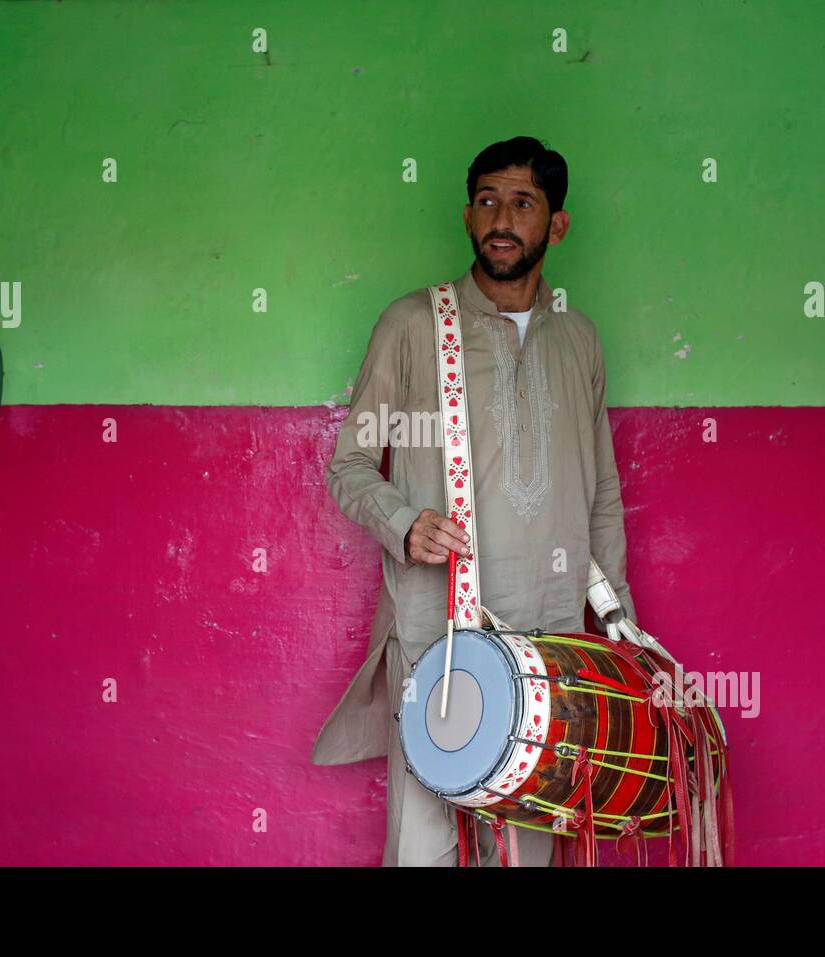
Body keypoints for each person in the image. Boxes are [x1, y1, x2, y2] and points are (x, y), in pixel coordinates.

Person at [310, 136, 637, 866]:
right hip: (439, 637)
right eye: (487, 201)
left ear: (556, 225)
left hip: (552, 645)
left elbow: (603, 499)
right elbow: (351, 464)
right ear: (465, 217)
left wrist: (620, 629)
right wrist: (404, 524)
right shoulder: (411, 324)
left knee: (527, 851)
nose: (501, 219)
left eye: (523, 203)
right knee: (422, 847)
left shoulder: (580, 341)